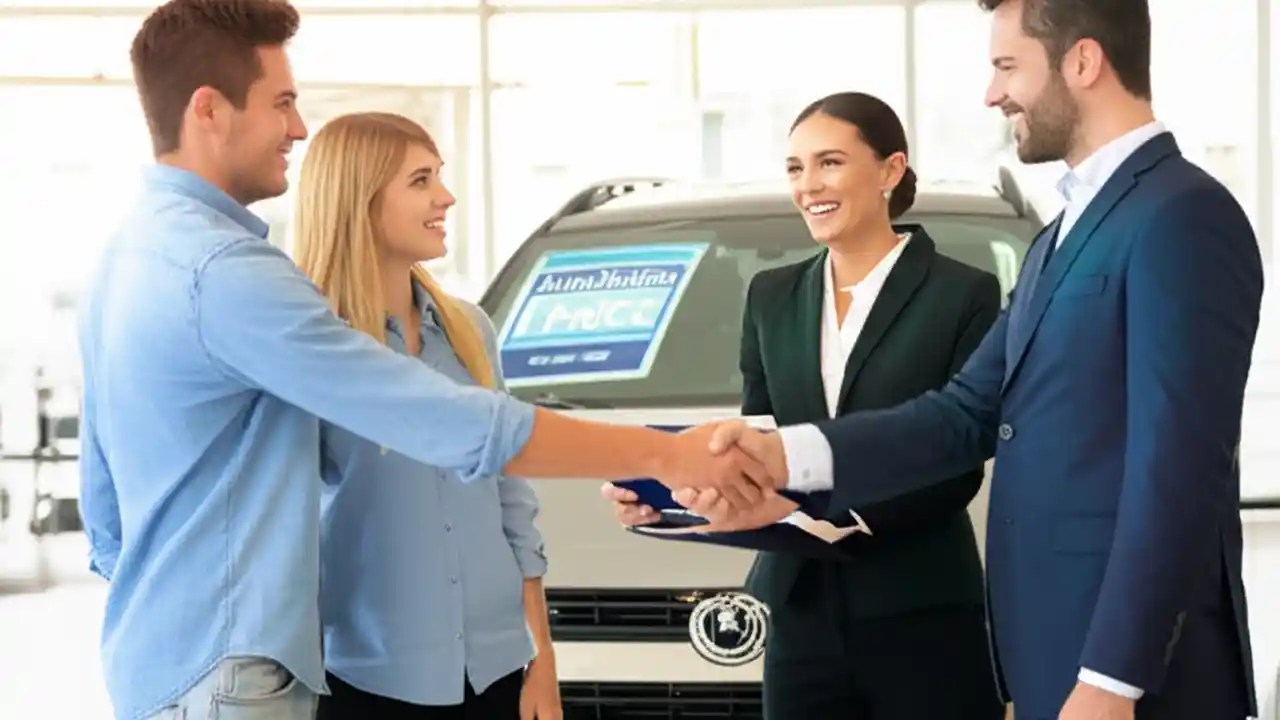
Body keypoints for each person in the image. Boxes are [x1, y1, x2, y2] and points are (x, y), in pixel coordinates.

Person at [76, 2, 771, 719]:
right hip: (236, 673)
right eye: (281, 102)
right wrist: (670, 454)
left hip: (169, 665)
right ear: (209, 110)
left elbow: (104, 518)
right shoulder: (228, 274)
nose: (299, 127)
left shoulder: (129, 257)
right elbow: (455, 425)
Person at [685, 1, 1262, 719]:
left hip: (1132, 676)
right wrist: (779, 456)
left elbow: (1179, 471)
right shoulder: (1063, 235)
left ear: (1083, 62)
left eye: (1007, 66)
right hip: (1057, 654)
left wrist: (1115, 679)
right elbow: (961, 415)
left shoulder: (1181, 215)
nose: (993, 94)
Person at [607, 92, 1006, 719]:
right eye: (795, 168)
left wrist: (831, 516)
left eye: (829, 163)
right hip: (800, 610)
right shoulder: (771, 296)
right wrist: (672, 501)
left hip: (920, 605)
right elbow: (760, 442)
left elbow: (957, 457)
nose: (808, 185)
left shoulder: (962, 293)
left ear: (890, 170)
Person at [291, 112, 561, 719]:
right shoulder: (313, 348)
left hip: (496, 672)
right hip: (367, 680)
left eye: (439, 175)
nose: (447, 197)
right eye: (421, 181)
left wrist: (541, 660)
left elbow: (512, 502)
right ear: (359, 200)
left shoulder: (468, 330)